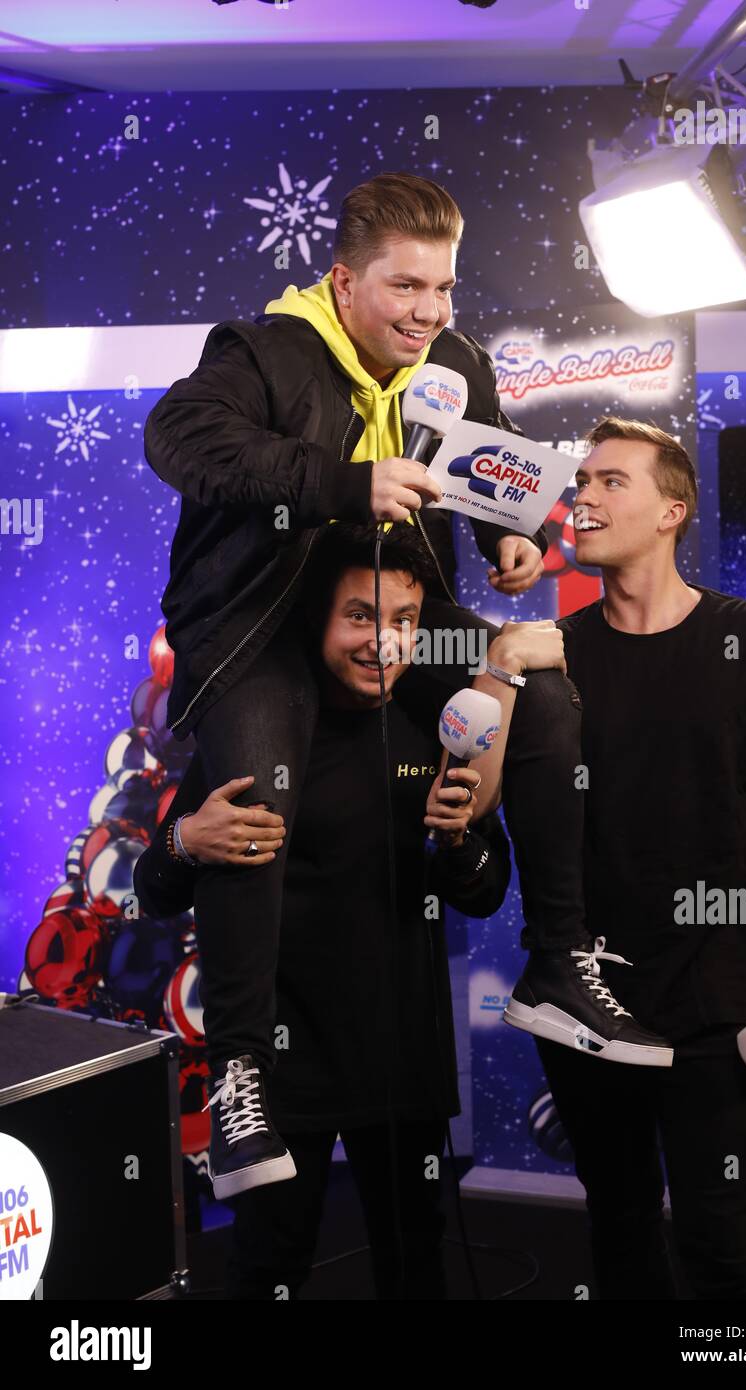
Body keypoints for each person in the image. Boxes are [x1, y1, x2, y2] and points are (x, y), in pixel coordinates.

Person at [143, 174, 670, 1195]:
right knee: (257, 799)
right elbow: (179, 442)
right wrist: (345, 480)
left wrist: (509, 538)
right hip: (258, 630)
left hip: (404, 620)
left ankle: (556, 962)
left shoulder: (454, 361)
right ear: (344, 282)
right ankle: (241, 1069)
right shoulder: (261, 354)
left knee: (548, 690)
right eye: (404, 287)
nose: (428, 312)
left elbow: (490, 471)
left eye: (444, 288)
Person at [484, 415, 746, 1299]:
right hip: (587, 1005)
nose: (585, 495)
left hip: (715, 1005)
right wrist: (500, 667)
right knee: (620, 1236)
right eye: (583, 483)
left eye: (613, 481)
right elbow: (478, 799)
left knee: (724, 1251)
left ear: (672, 510)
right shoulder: (553, 653)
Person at [133, 522, 527, 1296]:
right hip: (282, 1072)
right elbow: (152, 886)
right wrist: (186, 838)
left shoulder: (434, 725)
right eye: (360, 617)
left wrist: (456, 842)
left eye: (404, 623)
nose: (383, 642)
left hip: (401, 1055)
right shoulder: (255, 729)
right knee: (267, 1270)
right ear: (318, 617)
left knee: (417, 1265)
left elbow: (484, 892)